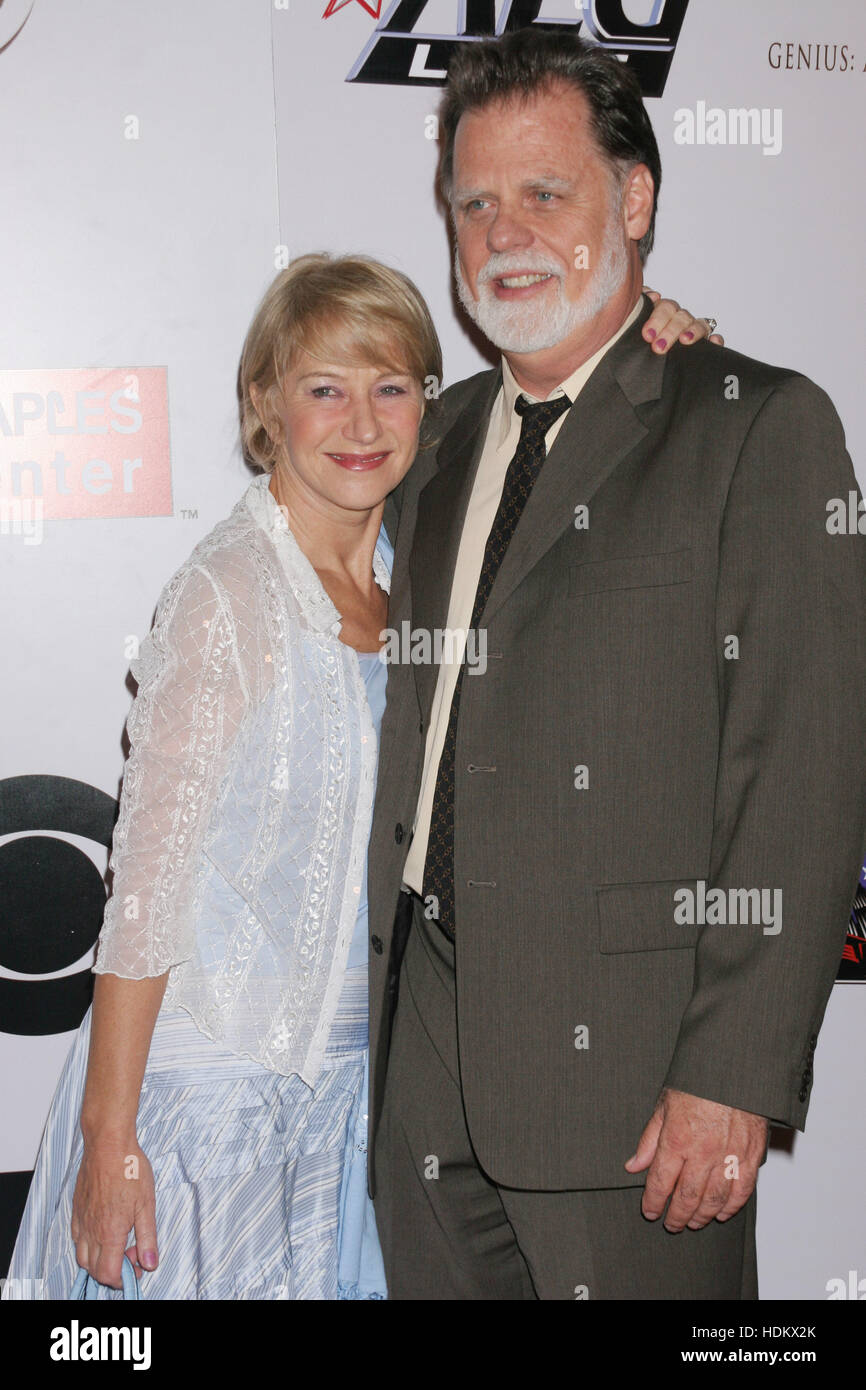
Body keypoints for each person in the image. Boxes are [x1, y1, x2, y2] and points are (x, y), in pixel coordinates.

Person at [1, 247, 717, 1301]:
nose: (360, 423)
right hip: (206, 1108)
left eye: (389, 388)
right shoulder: (227, 594)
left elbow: (527, 408)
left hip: (354, 1104)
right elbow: (144, 894)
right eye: (321, 390)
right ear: (263, 404)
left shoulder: (409, 573)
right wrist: (111, 1140)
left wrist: (636, 338)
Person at [366, 29, 866, 1300]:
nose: (502, 232)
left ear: (632, 199)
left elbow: (804, 773)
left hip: (638, 1090)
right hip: (419, 1060)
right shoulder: (434, 441)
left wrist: (733, 1073)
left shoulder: (759, 427)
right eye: (473, 202)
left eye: (544, 192)